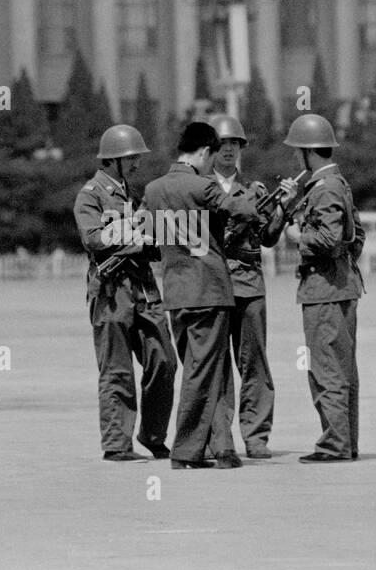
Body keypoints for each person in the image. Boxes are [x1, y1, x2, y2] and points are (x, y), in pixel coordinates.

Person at [141, 121, 261, 469]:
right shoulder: (202, 186)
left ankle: (222, 449)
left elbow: (151, 242)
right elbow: (244, 211)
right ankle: (186, 450)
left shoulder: (153, 189)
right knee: (204, 372)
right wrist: (261, 198)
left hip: (176, 294)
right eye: (213, 155)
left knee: (202, 370)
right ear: (206, 151)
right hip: (209, 290)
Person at [73, 124, 176, 462]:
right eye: (131, 158)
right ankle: (117, 443)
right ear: (113, 160)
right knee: (116, 369)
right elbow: (93, 237)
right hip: (111, 292)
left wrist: (152, 239)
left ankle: (153, 433)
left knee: (164, 360)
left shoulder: (132, 194)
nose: (136, 163)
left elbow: (150, 241)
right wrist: (129, 235)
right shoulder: (91, 193)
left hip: (144, 289)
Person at [277, 114, 365, 463]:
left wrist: (299, 237)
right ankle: (347, 441)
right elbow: (357, 234)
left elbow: (329, 238)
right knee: (344, 369)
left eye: (295, 151)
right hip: (342, 286)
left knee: (326, 368)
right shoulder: (337, 183)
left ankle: (334, 444)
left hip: (323, 290)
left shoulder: (325, 187)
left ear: (307, 153)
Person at [205, 113, 285, 460]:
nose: (228, 150)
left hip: (249, 285)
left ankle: (256, 436)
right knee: (216, 365)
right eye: (222, 144)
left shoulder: (255, 191)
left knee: (254, 363)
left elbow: (268, 238)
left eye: (234, 144)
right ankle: (219, 438)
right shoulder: (199, 189)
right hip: (211, 286)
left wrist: (280, 211)